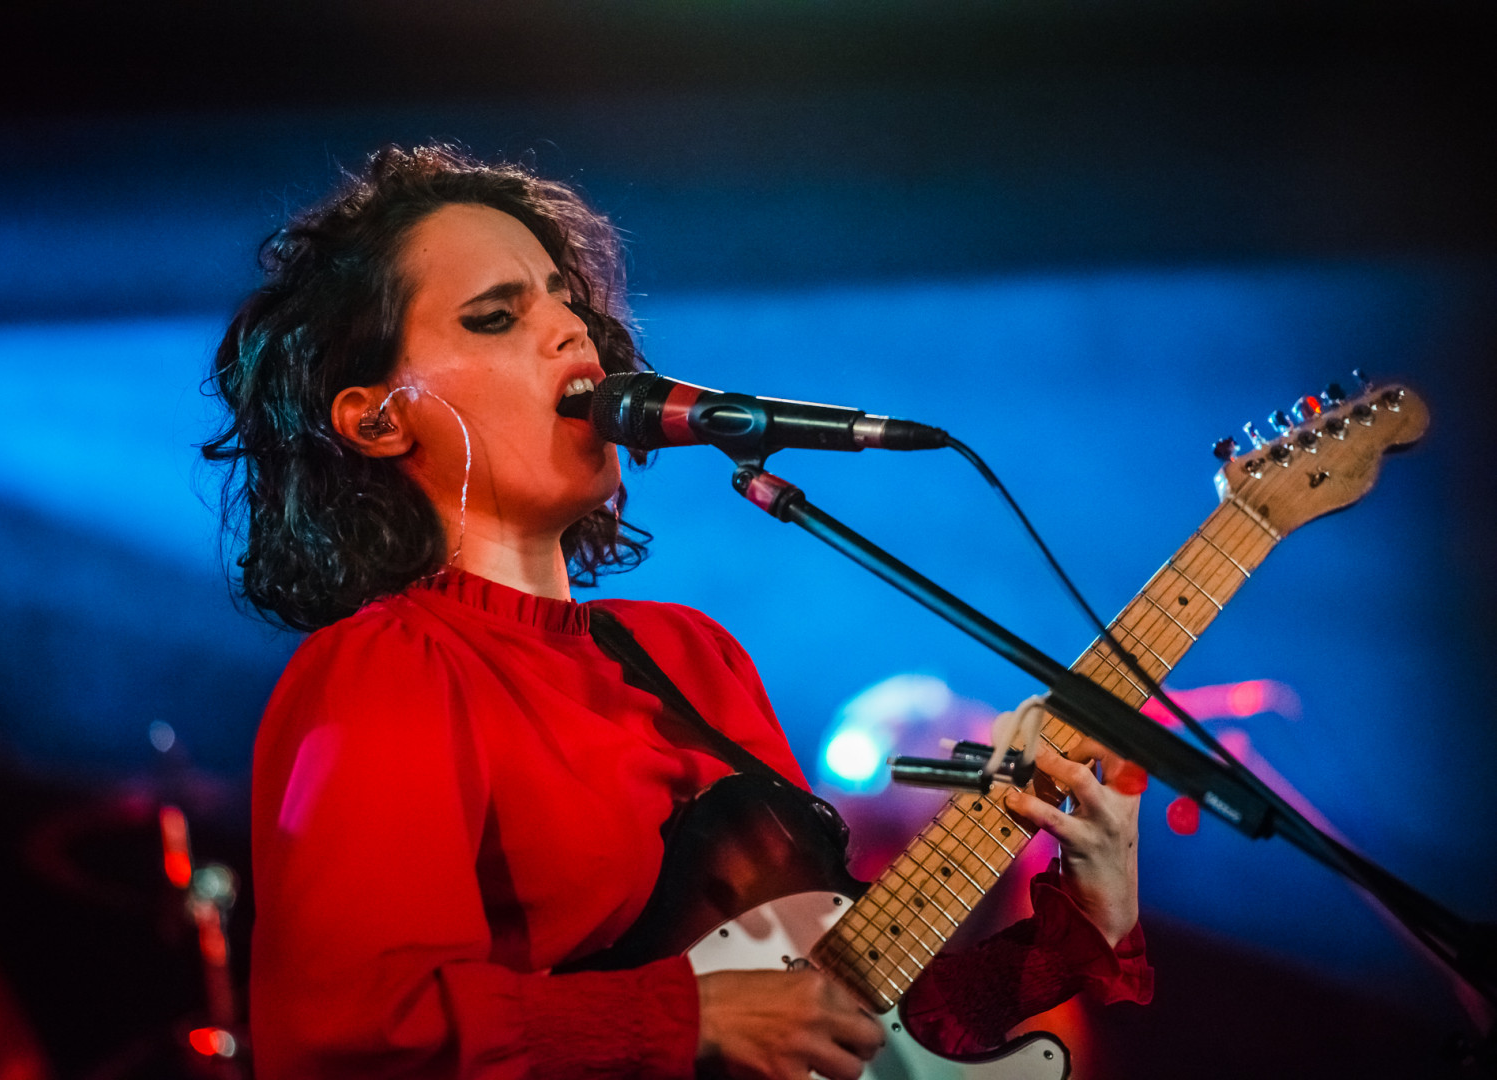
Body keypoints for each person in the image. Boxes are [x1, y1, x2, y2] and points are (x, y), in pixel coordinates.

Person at [203, 144, 1151, 1080]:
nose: (569, 331)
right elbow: (352, 1034)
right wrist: (682, 1016)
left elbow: (844, 1020)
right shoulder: (388, 668)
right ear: (377, 419)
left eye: (566, 301)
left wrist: (1083, 924)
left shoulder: (695, 655)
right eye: (496, 317)